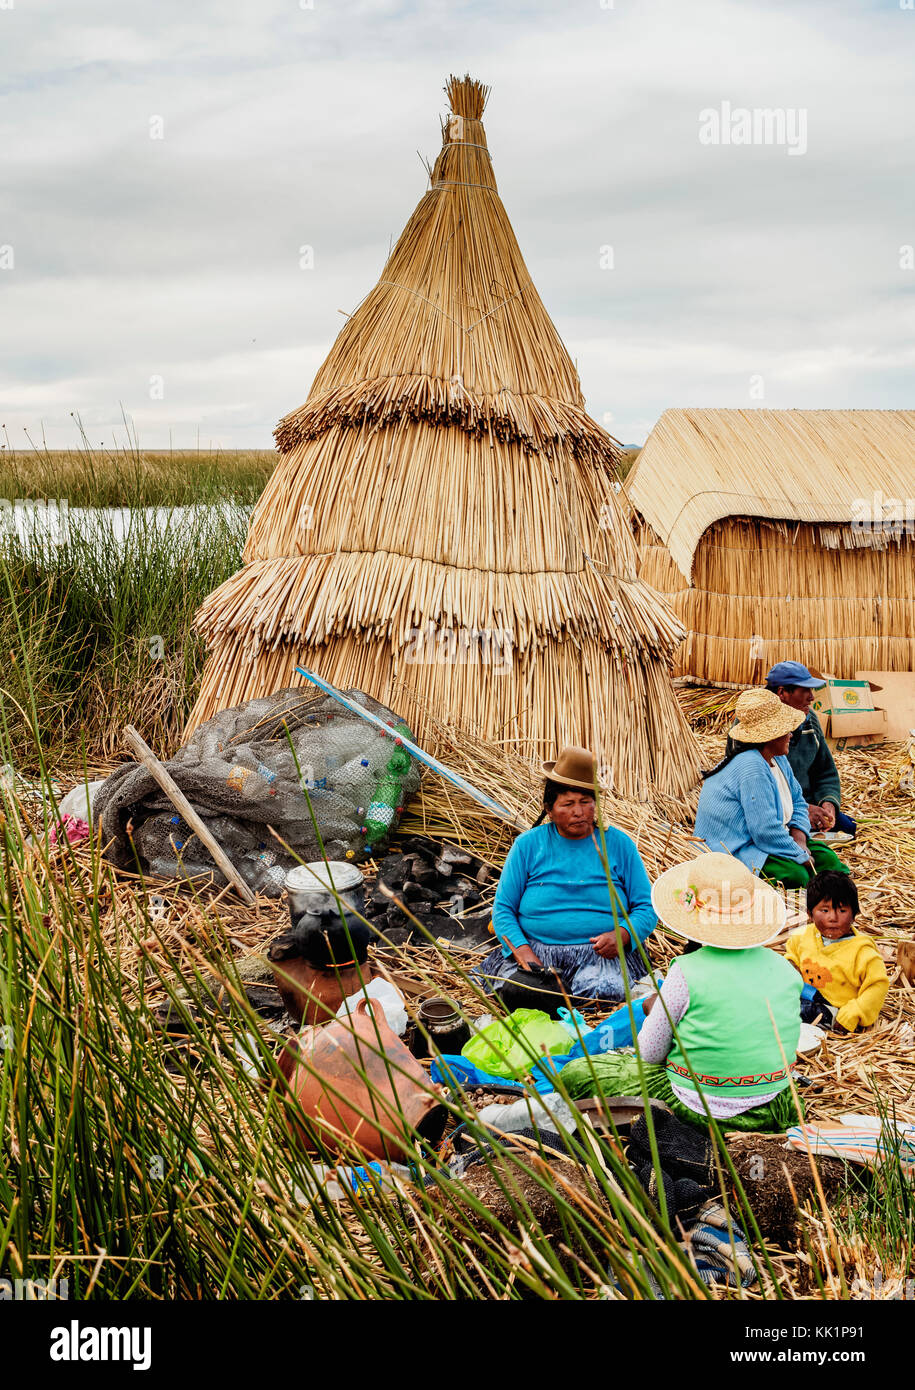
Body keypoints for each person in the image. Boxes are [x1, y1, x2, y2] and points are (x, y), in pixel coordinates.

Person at [559, 852, 803, 1132]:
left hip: (696, 1105)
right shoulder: (786, 970)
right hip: (771, 1105)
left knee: (576, 1074)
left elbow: (650, 1053)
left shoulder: (686, 971)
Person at [477, 745, 655, 1001]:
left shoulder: (619, 844)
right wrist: (527, 958)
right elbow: (503, 910)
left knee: (603, 993)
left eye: (586, 802)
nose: (578, 812)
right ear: (549, 809)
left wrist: (623, 935)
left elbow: (647, 907)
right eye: (568, 804)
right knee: (523, 993)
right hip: (537, 952)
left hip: (603, 958)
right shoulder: (528, 845)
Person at [696, 687, 849, 889]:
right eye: (786, 730)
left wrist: (800, 841)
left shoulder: (778, 759)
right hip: (736, 847)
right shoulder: (751, 766)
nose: (791, 734)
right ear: (771, 736)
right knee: (796, 875)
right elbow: (764, 831)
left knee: (829, 860)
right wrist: (799, 855)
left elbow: (798, 802)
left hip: (773, 839)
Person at [786, 871, 888, 1032]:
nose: (833, 918)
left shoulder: (862, 951)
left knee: (796, 1012)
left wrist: (854, 1012)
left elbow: (877, 986)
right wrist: (791, 966)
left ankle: (830, 1020)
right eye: (824, 910)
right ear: (810, 914)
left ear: (854, 915)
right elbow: (791, 954)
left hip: (835, 1009)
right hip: (805, 994)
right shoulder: (802, 936)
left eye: (842, 911)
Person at [761, 661, 854, 840]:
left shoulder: (810, 720)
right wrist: (802, 810)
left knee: (847, 827)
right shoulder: (754, 726)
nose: (812, 697)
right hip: (773, 810)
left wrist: (828, 803)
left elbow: (825, 772)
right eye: (805, 690)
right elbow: (757, 792)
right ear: (782, 693)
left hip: (806, 803)